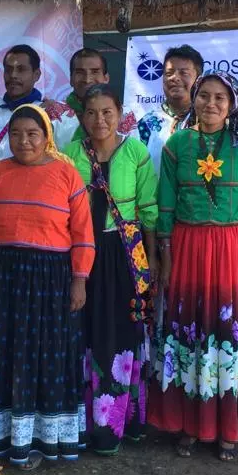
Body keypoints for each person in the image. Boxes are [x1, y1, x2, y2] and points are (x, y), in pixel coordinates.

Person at [0, 105, 94, 470]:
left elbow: (82, 235)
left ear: (47, 136)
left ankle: (35, 442)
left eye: (32, 134)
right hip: (1, 276)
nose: (24, 141)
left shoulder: (67, 175)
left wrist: (79, 281)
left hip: (49, 280)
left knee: (40, 357)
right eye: (16, 134)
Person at [147, 71, 238, 461]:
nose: (211, 104)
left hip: (234, 248)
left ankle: (227, 426)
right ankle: (188, 424)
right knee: (191, 329)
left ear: (232, 104)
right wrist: (165, 257)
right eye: (204, 96)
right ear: (194, 97)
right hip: (188, 246)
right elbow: (164, 206)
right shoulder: (176, 145)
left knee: (226, 330)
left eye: (220, 97)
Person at [62, 84, 158, 455]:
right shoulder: (70, 155)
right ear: (82, 117)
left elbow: (148, 210)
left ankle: (120, 420)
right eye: (91, 113)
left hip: (126, 253)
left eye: (107, 112)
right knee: (83, 330)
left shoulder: (135, 152)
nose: (99, 120)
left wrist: (152, 261)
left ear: (120, 114)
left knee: (123, 331)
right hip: (83, 252)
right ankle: (82, 422)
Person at [0, 44, 80, 164]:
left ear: (36, 75)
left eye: (21, 69)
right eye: (8, 70)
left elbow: (67, 157)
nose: (13, 75)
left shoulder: (53, 113)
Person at [135, 45, 203, 174]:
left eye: (184, 73)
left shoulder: (208, 122)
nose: (175, 78)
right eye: (169, 73)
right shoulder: (146, 125)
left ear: (199, 79)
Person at [65, 48, 137, 142]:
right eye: (80, 72)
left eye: (95, 72)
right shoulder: (54, 115)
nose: (87, 79)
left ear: (106, 78)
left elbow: (134, 153)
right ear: (71, 79)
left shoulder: (125, 114)